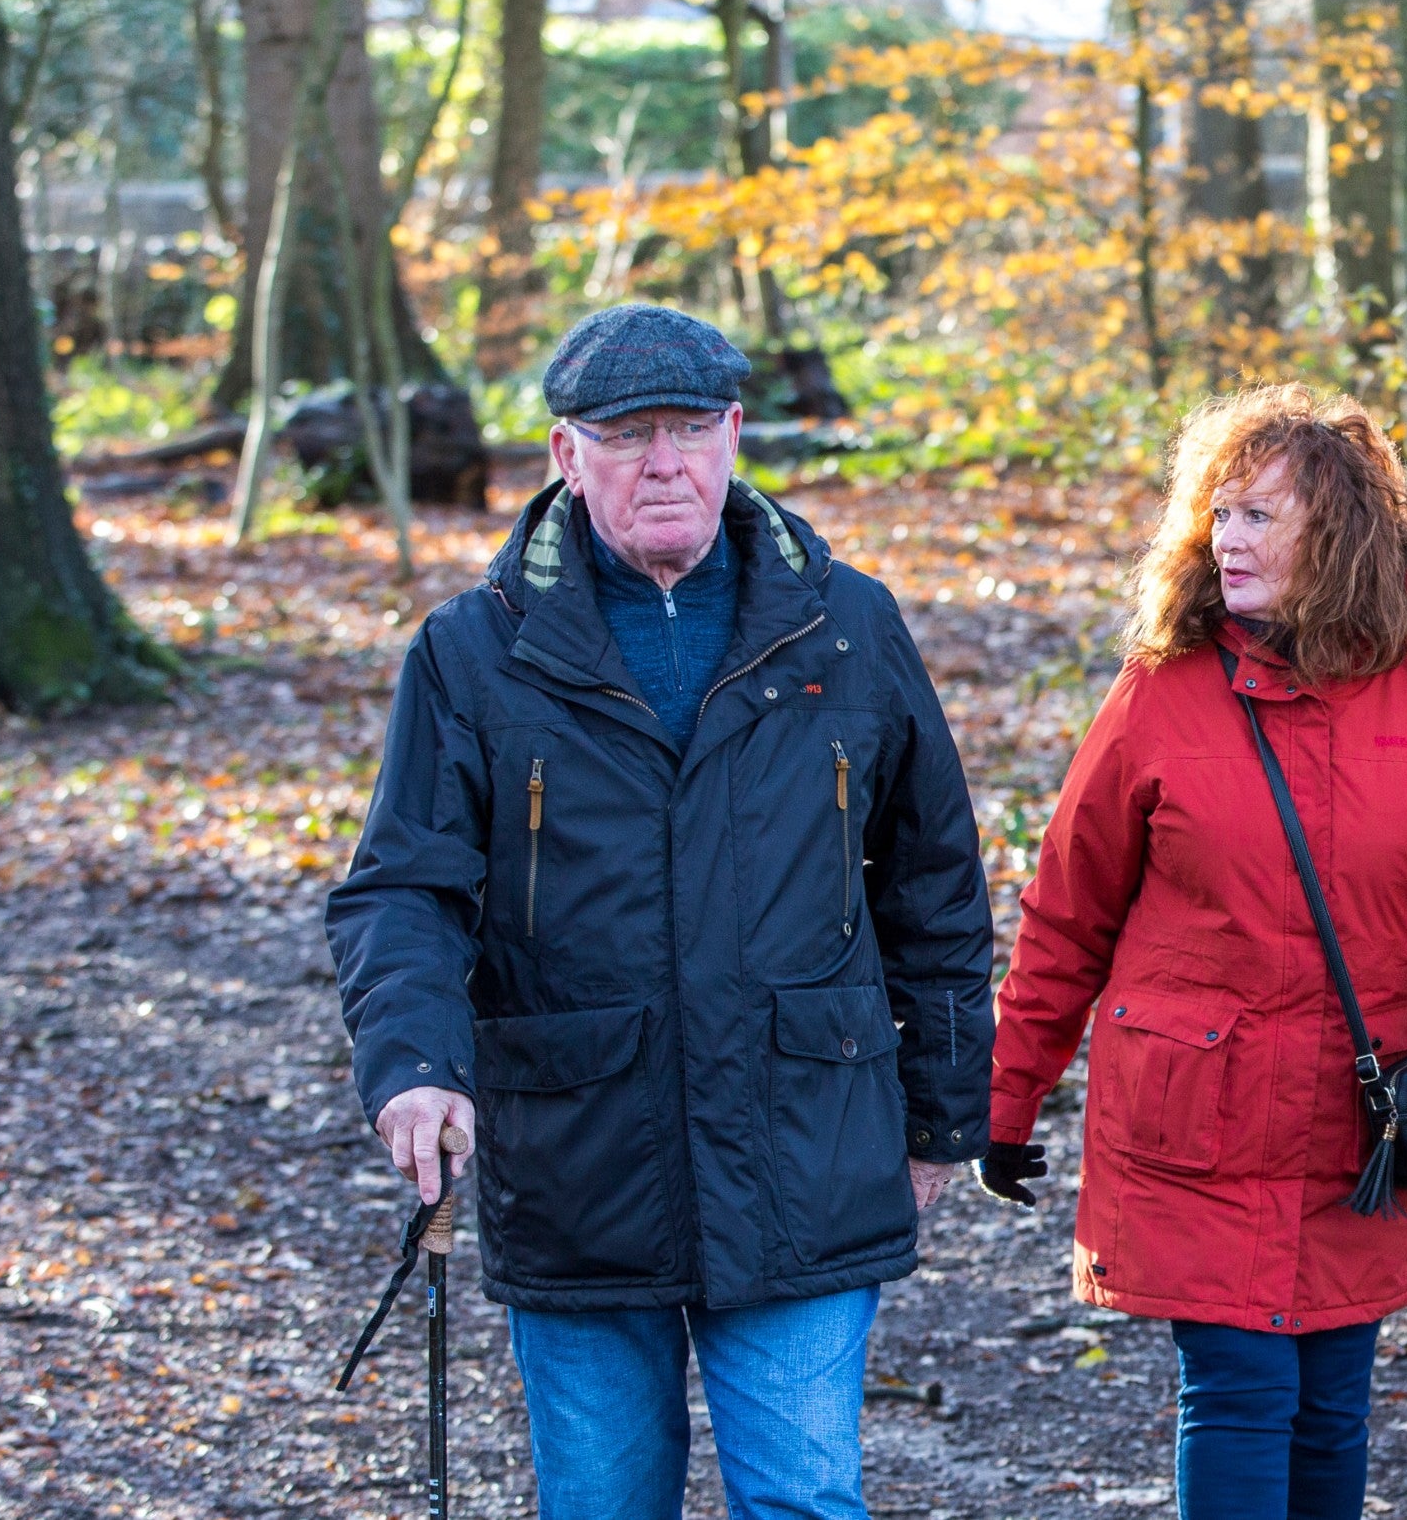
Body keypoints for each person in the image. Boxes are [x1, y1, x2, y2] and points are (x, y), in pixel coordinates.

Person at [328, 303, 994, 1520]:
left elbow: (932, 882)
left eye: (689, 426)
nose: (663, 461)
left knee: (804, 1501)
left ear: (736, 433)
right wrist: (414, 1066)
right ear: (564, 456)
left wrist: (946, 1114)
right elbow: (405, 888)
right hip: (583, 1160)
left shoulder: (848, 626)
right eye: (625, 434)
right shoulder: (476, 652)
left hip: (805, 1143)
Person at [978, 385, 1407, 1520]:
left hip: (1367, 1123)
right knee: (1244, 1385)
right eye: (1219, 512)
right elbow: (1067, 914)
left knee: (1332, 1398)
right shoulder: (1159, 695)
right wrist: (1005, 1102)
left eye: (1259, 514)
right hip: (1196, 1117)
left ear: (1340, 536)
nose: (1227, 537)